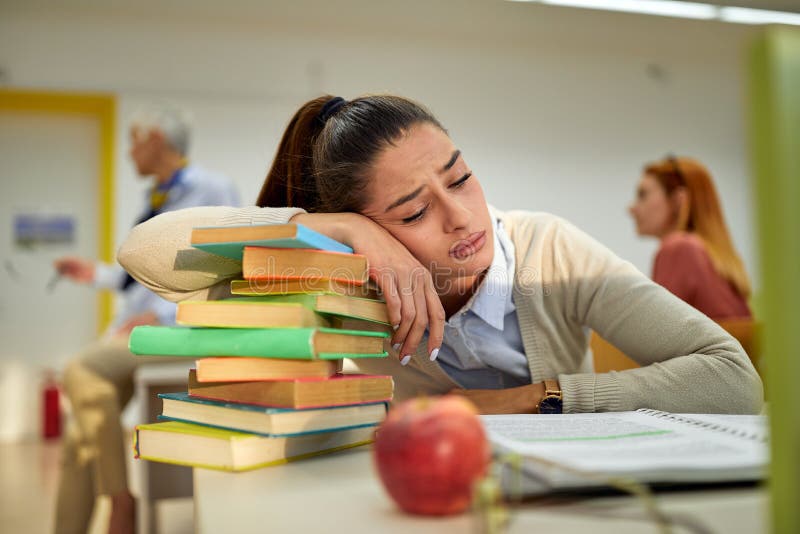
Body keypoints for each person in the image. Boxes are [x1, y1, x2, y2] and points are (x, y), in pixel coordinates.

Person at [118, 94, 762, 421]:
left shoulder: (550, 251)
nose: (460, 216)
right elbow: (142, 251)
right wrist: (337, 228)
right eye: (412, 213)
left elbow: (734, 379)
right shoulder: (356, 280)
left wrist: (521, 402)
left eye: (460, 178)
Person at [53, 105, 239, 534]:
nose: (128, 151)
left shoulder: (213, 188)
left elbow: (225, 267)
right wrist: (93, 273)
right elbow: (141, 276)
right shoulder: (155, 197)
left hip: (183, 331)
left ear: (157, 138)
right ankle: (106, 510)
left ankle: (121, 501)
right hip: (144, 333)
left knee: (80, 367)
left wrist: (155, 316)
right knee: (79, 440)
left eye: (134, 140)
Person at [628, 156, 752, 320]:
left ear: (678, 200)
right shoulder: (711, 254)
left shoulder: (679, 248)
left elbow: (656, 330)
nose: (631, 208)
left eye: (642, 195)